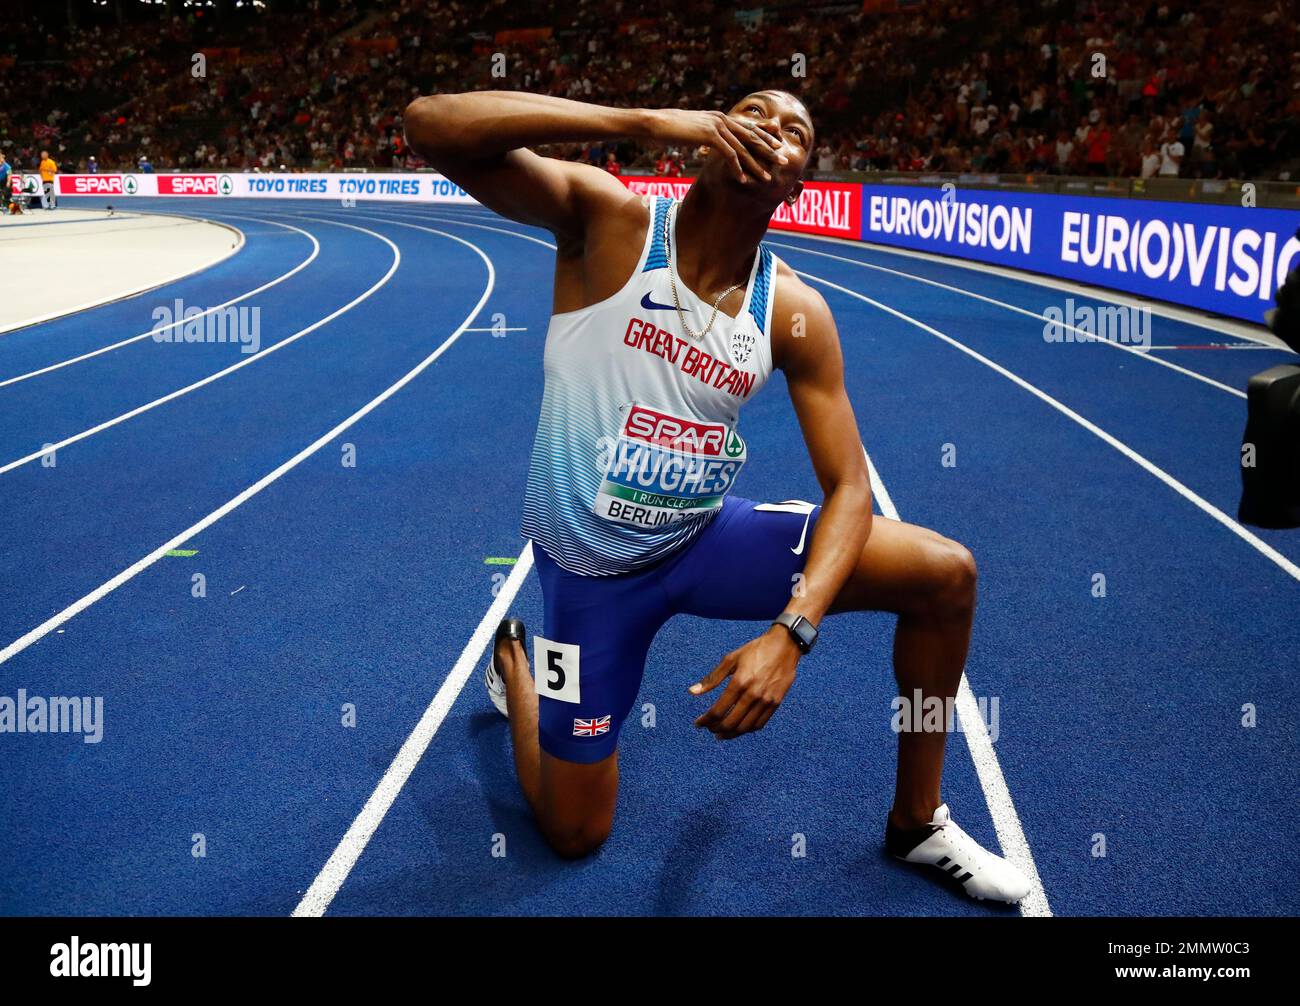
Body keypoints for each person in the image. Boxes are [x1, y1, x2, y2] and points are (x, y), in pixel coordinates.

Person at [403, 89, 1032, 904]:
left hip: (701, 541)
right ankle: (517, 665)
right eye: (753, 111)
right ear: (708, 137)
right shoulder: (611, 222)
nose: (771, 128)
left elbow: (849, 487)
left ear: (797, 183)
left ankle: (917, 822)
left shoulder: (793, 312)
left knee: (946, 575)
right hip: (593, 576)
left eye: (795, 131)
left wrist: (794, 631)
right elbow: (431, 125)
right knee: (574, 832)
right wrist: (646, 122)